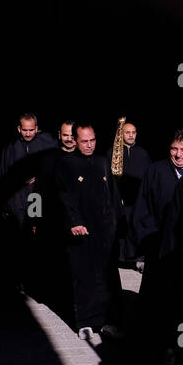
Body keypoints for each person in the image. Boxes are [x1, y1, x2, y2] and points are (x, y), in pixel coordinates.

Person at [133, 128, 183, 361]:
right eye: (174, 149)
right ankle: (153, 350)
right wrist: (149, 242)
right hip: (159, 250)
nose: (178, 155)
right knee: (156, 303)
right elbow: (142, 210)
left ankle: (182, 349)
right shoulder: (156, 171)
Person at [55, 124, 123, 338]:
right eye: (84, 141)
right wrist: (73, 222)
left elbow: (112, 193)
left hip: (105, 230)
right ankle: (85, 321)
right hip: (81, 230)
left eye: (92, 140)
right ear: (75, 141)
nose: (89, 145)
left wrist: (118, 221)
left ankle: (109, 320)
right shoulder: (66, 165)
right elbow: (63, 196)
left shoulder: (102, 162)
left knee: (108, 276)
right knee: (84, 276)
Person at [0, 112, 57, 284]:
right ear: (19, 129)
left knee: (35, 233)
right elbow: (4, 174)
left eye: (31, 130)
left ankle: (37, 276)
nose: (28, 133)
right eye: (25, 130)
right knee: (18, 235)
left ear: (36, 128)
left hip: (35, 196)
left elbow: (56, 167)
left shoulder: (47, 144)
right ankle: (21, 277)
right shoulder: (11, 147)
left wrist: (40, 176)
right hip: (17, 197)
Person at [35, 120, 78, 310]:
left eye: (72, 135)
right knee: (54, 261)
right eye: (65, 135)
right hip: (53, 219)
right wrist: (34, 218)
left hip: (78, 220)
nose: (69, 139)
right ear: (59, 136)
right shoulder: (48, 159)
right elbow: (37, 192)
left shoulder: (85, 157)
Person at [111, 120, 150, 264]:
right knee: (121, 228)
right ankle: (121, 258)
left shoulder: (143, 153)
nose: (131, 135)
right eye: (127, 132)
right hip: (120, 199)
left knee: (137, 226)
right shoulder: (113, 153)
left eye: (133, 132)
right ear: (121, 134)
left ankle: (137, 257)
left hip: (138, 199)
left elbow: (147, 177)